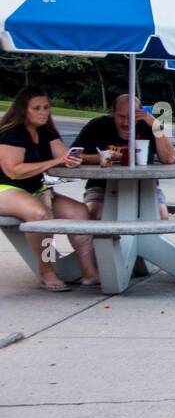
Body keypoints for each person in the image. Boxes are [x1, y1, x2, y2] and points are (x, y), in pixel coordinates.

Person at [0, 87, 98, 290]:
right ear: (23, 110)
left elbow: (62, 155)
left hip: (36, 189)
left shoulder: (46, 131)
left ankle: (89, 273)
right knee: (40, 215)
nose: (43, 112)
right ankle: (46, 270)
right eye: (36, 108)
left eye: (46, 107)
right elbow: (13, 171)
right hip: (6, 188)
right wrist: (55, 161)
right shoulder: (11, 133)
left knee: (79, 211)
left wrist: (70, 161)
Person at [77, 94, 175, 219]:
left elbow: (169, 158)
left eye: (131, 117)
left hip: (145, 186)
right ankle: (108, 239)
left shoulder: (148, 126)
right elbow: (73, 155)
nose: (126, 122)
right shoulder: (98, 125)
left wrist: (156, 126)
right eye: (121, 116)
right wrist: (102, 157)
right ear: (112, 112)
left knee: (161, 216)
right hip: (102, 185)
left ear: (140, 114)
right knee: (94, 214)